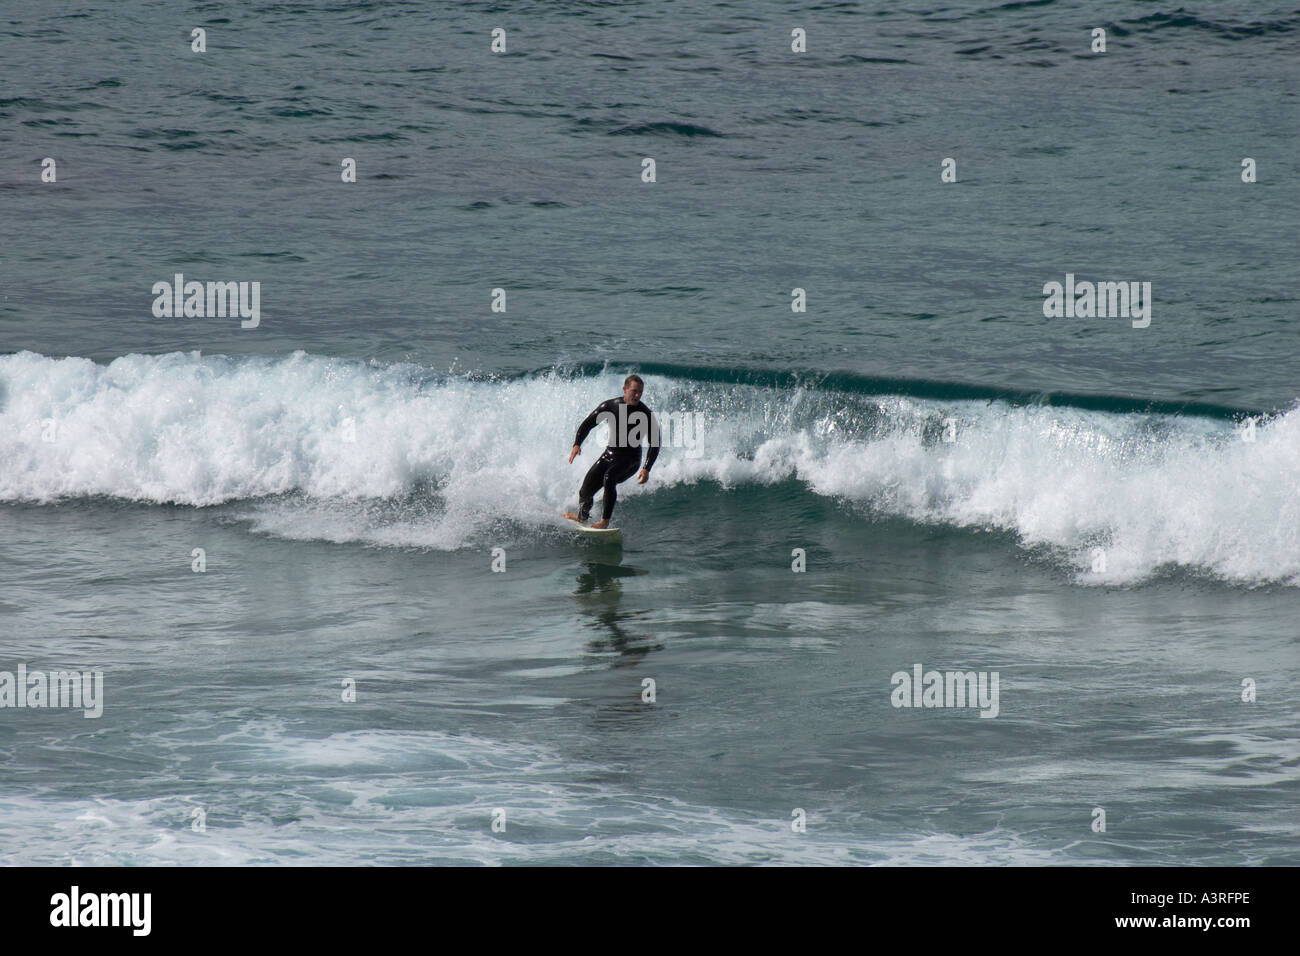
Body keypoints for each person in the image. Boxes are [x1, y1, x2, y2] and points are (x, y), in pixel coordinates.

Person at [563, 374, 660, 528]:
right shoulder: (610, 406)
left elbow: (655, 443)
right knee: (585, 490)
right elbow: (588, 423)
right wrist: (577, 444)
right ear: (625, 389)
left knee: (609, 478)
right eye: (634, 391)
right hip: (610, 455)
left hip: (631, 460)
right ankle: (582, 518)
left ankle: (604, 521)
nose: (637, 395)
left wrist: (647, 468)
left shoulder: (645, 414)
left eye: (640, 392)